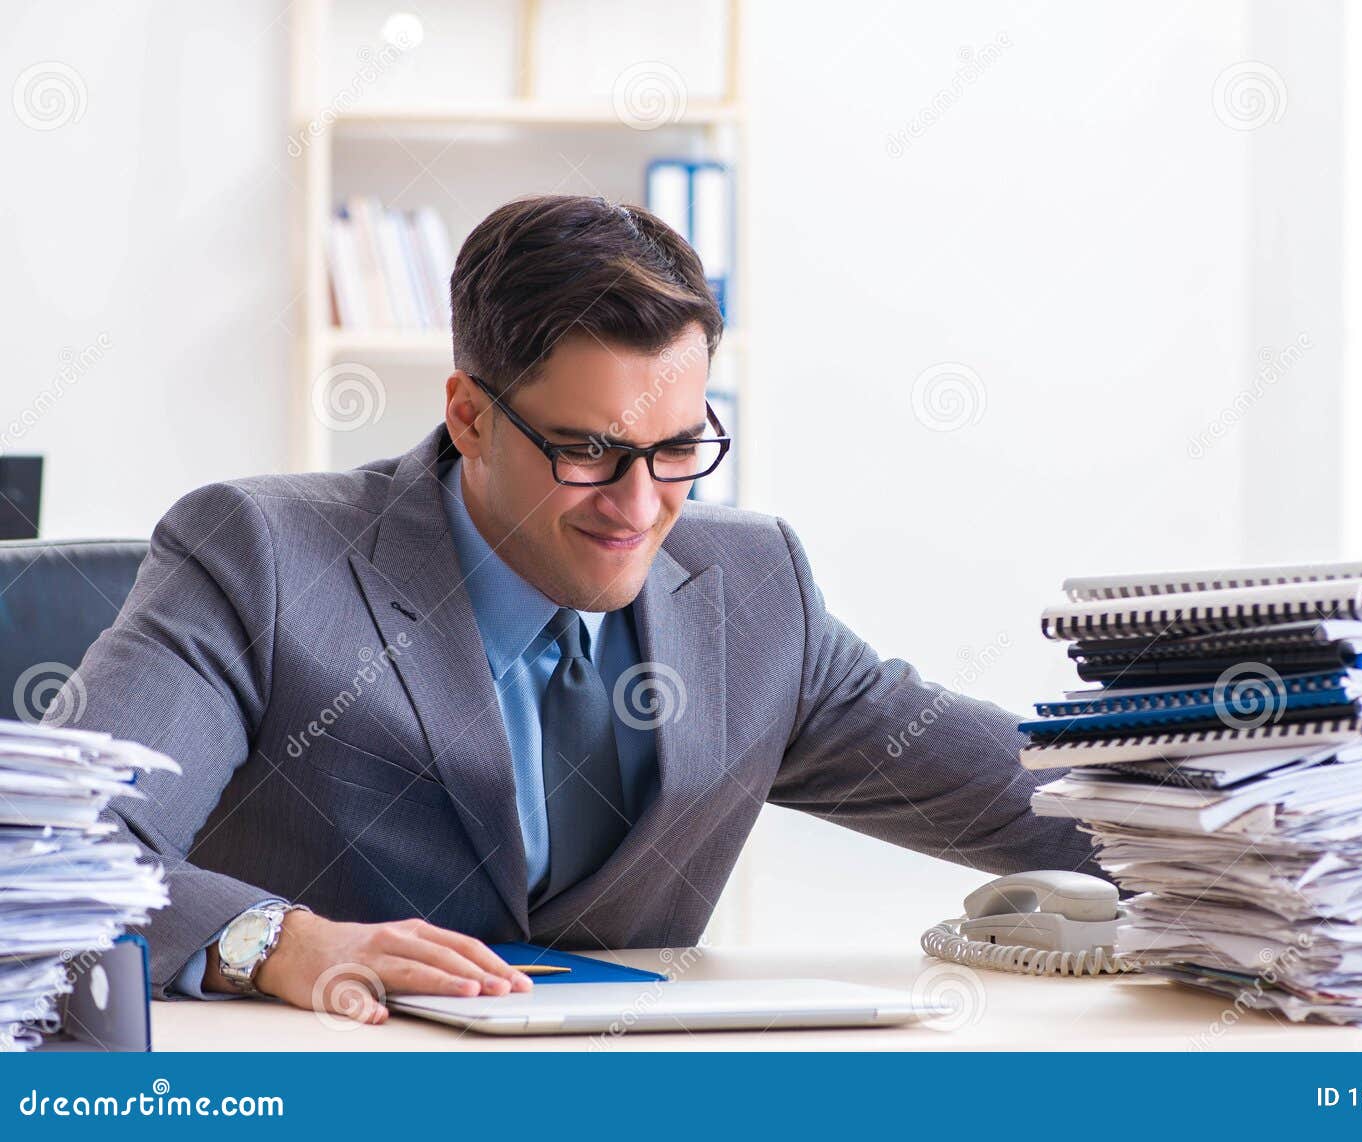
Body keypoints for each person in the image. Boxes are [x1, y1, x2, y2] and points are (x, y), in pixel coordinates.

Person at [66, 195, 1104, 1023]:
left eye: (679, 448)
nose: (641, 506)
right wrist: (279, 942)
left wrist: (1248, 842)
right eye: (589, 450)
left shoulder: (753, 590)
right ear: (469, 415)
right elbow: (62, 853)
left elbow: (1049, 804)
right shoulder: (260, 555)